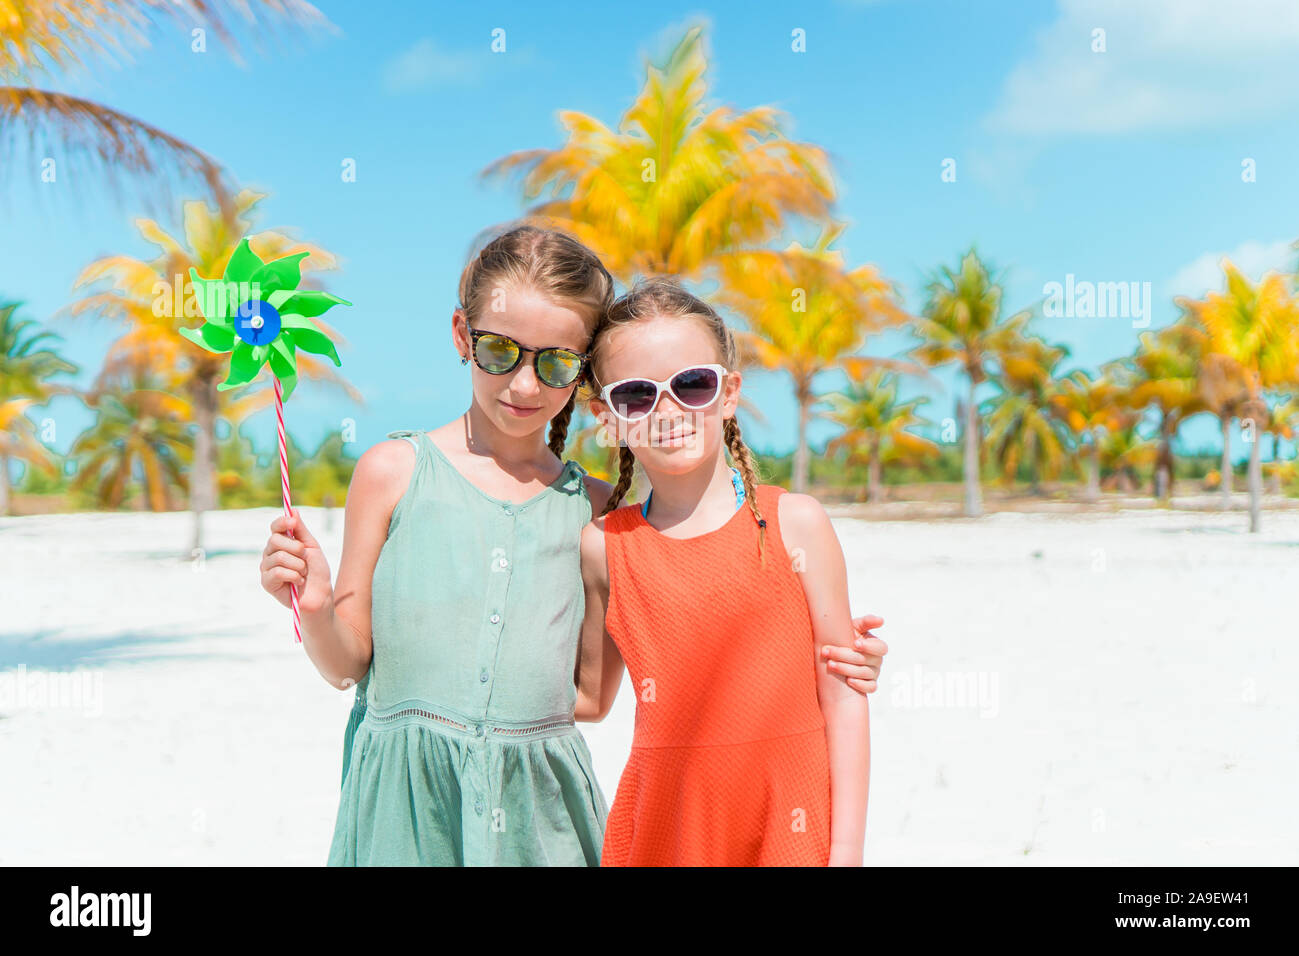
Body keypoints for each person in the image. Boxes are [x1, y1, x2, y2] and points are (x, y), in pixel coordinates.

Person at [259, 225, 887, 865]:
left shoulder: (595, 513)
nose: (526, 385)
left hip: (542, 814)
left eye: (556, 362)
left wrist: (826, 667)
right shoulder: (392, 473)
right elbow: (344, 666)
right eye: (499, 351)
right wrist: (312, 605)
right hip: (405, 809)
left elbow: (589, 695)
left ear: (582, 376)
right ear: (460, 336)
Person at [577, 277, 870, 865]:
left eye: (691, 384)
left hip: (790, 822)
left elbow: (844, 696)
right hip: (664, 827)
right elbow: (588, 699)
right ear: (605, 416)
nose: (668, 411)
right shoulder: (603, 545)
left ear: (729, 392)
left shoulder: (798, 523)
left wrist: (847, 852)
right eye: (636, 394)